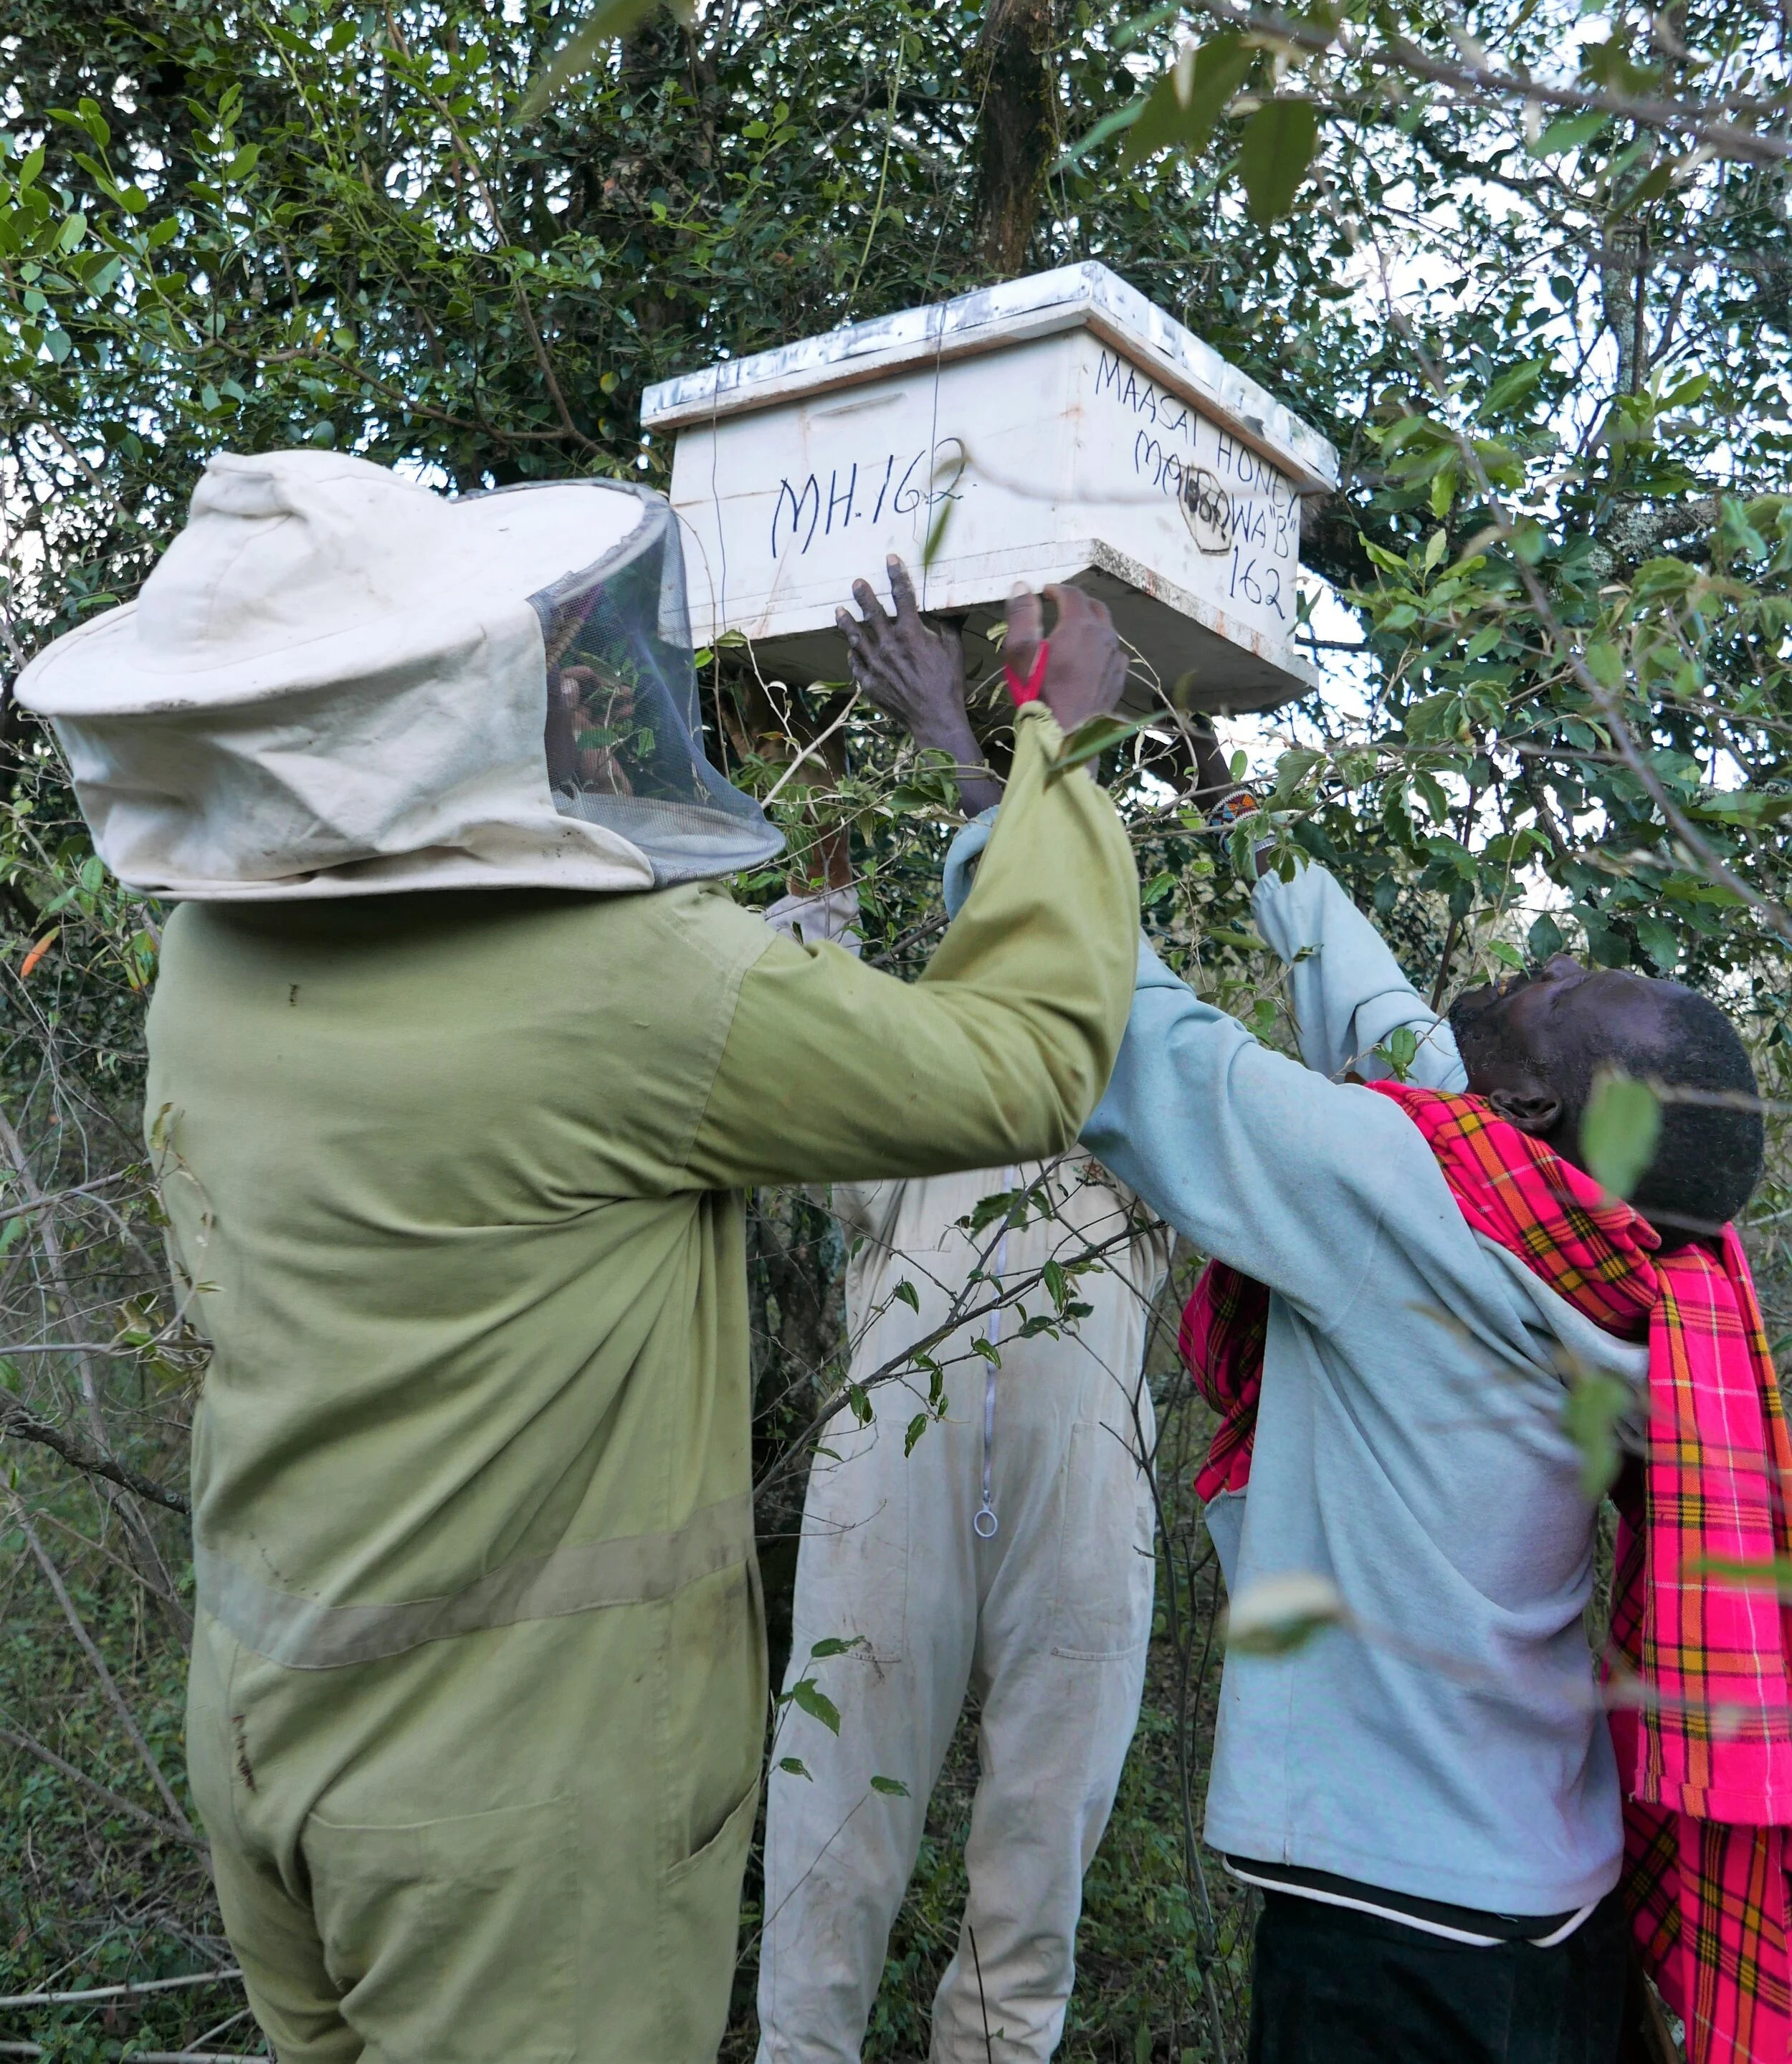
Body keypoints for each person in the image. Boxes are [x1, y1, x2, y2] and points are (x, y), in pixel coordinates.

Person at [13, 449, 1141, 2064]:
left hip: (263, 1730)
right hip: (513, 1819)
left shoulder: (208, 951)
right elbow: (1025, 1064)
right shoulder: (629, 981)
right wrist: (1060, 743)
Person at [1068, 795, 1792, 2064]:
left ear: (1528, 1111)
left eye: (1571, 994)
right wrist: (1246, 818)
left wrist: (998, 795)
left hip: (1387, 1933)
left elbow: (1157, 1054)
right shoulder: (1641, 1269)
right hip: (1560, 1913)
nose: (1556, 959)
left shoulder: (1405, 1201)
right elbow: (1395, 1030)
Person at [755, 559, 1169, 2064]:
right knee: (826, 1831)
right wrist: (825, 904)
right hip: (894, 1454)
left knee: (1035, 1862)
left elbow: (1061, 974)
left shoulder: (1130, 1044)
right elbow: (841, 1131)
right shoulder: (904, 1060)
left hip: (1083, 1482)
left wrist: (966, 738)